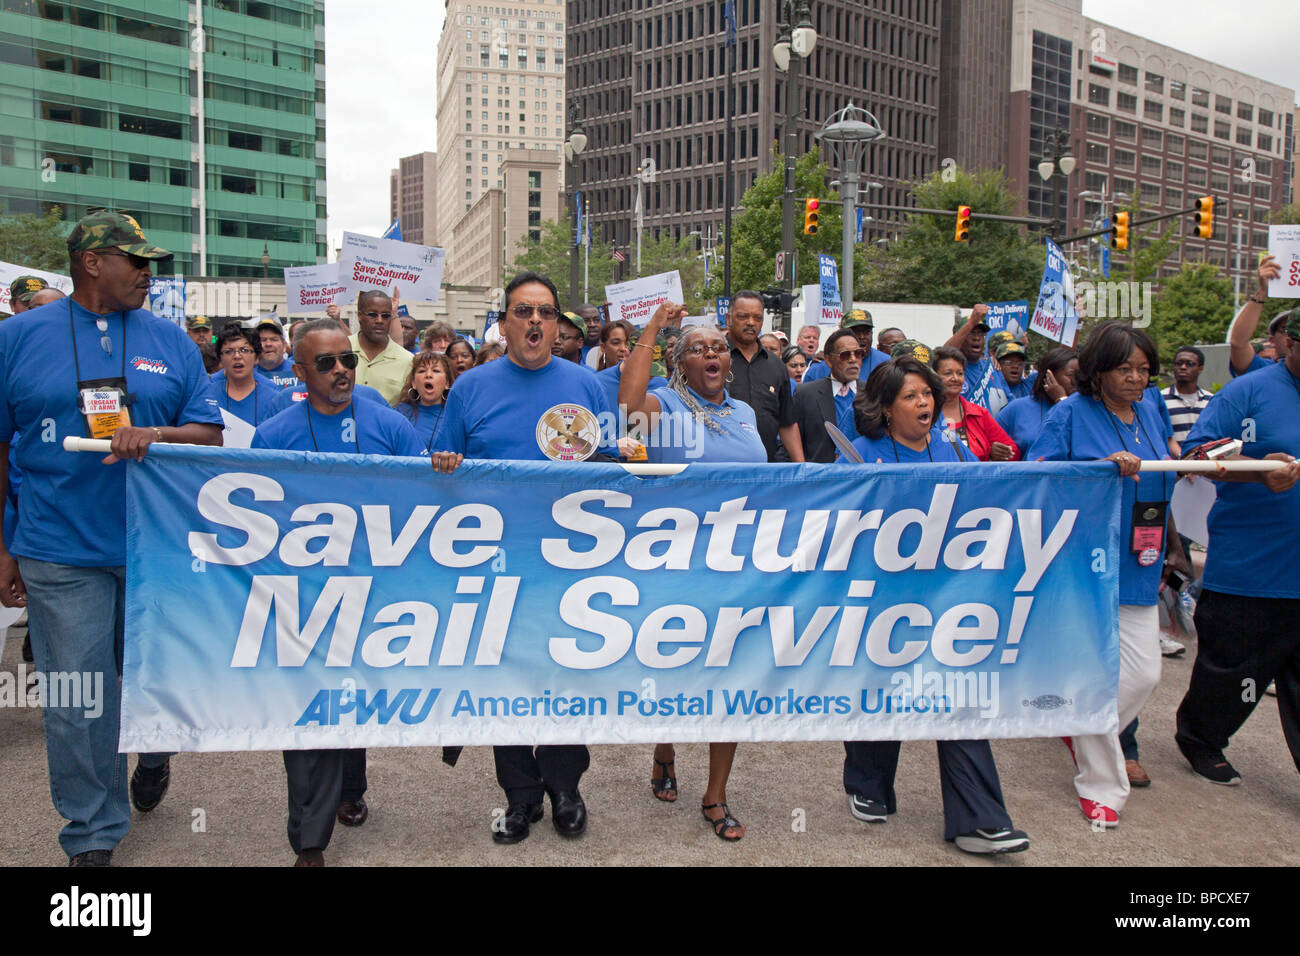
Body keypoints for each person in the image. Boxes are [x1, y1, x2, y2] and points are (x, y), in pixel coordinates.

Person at [0, 210, 223, 866]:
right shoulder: (18, 338)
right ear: (93, 262)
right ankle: (93, 831)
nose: (149, 273)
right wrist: (4, 545)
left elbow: (209, 433)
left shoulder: (173, 341)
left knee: (149, 682)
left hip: (153, 548)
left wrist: (156, 434)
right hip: (58, 549)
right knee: (77, 698)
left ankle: (153, 755)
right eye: (138, 260)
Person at [252, 320, 444, 867]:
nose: (341, 371)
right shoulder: (274, 435)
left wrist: (445, 468)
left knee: (353, 693)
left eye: (348, 361)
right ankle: (309, 840)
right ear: (299, 372)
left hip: (378, 589)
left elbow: (429, 502)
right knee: (310, 704)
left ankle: (351, 789)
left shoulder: (388, 425)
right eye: (327, 363)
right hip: (306, 593)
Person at [432, 271, 613, 844]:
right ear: (505, 321)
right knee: (502, 678)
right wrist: (443, 462)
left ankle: (565, 787)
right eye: (522, 311)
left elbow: (604, 461)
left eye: (545, 312)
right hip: (494, 563)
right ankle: (519, 796)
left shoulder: (586, 385)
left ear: (559, 325)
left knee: (565, 672)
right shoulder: (470, 388)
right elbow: (443, 462)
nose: (535, 321)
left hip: (567, 559)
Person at [835, 357, 1028, 854]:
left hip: (948, 602)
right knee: (883, 692)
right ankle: (868, 785)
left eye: (927, 393)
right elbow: (835, 529)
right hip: (880, 603)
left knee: (956, 697)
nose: (924, 403)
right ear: (885, 407)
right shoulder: (859, 454)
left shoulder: (957, 451)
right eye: (910, 396)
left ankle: (979, 819)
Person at [619, 301, 765, 840]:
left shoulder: (746, 414)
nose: (713, 353)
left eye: (719, 347)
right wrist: (654, 328)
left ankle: (716, 793)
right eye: (699, 348)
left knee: (730, 677)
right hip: (675, 566)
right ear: (680, 363)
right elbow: (626, 405)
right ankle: (664, 748)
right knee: (676, 669)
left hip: (739, 567)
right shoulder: (663, 406)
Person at [1028, 322, 1172, 828]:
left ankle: (1082, 721)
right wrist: (1100, 468)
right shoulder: (1070, 413)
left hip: (1141, 560)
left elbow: (1166, 462)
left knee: (1145, 674)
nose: (1136, 379)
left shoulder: (1152, 410)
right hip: (1084, 563)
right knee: (1096, 675)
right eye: (1125, 369)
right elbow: (1038, 473)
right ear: (1097, 370)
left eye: (1144, 370)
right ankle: (1102, 789)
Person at [1173, 308, 1300, 786]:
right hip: (1252, 566)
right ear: (1290, 344)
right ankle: (1201, 738)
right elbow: (1198, 453)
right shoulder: (1249, 390)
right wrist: (1256, 465)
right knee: (1235, 673)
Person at [724, 290, 804, 462]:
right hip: (723, 469)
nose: (751, 323)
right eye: (743, 316)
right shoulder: (713, 359)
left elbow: (787, 422)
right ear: (728, 319)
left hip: (767, 468)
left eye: (757, 318)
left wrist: (802, 467)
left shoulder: (776, 365)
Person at [930, 346, 1019, 461]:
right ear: (934, 376)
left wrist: (993, 453)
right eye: (948, 373)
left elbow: (1013, 451)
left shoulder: (979, 414)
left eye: (960, 373)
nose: (955, 378)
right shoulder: (925, 414)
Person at [791, 329, 863, 463]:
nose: (853, 360)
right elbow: (791, 442)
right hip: (819, 479)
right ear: (829, 360)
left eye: (858, 354)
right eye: (845, 355)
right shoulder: (805, 394)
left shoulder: (872, 393)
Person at [995, 347, 1076, 452]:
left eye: (1079, 375)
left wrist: (1061, 400)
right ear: (1049, 376)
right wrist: (994, 450)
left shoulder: (1083, 409)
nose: (1076, 381)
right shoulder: (1016, 408)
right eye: (1071, 375)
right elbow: (989, 447)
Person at [1226, 256, 1289, 377]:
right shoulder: (1263, 371)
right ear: (1272, 340)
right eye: (1286, 330)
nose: (1295, 336)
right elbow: (1238, 343)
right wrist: (1262, 291)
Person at [209, 324, 280, 427]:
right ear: (221, 359)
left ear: (256, 358)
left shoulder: (274, 399)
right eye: (229, 351)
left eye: (244, 350)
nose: (237, 356)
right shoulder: (207, 395)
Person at [349, 290, 413, 405]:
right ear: (359, 316)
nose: (379, 320)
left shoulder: (407, 360)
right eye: (373, 315)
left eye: (386, 316)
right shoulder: (340, 350)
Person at [802, 310, 889, 386]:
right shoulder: (821, 366)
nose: (862, 336)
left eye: (866, 332)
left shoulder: (886, 363)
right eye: (856, 331)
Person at [395, 350, 456, 453]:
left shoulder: (455, 417)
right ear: (413, 383)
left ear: (447, 383)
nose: (428, 375)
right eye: (422, 371)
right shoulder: (399, 412)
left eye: (436, 371)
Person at [945, 304, 996, 405]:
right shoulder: (948, 370)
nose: (976, 338)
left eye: (981, 334)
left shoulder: (992, 367)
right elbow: (944, 354)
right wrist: (972, 322)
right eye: (971, 333)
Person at [1162, 347, 1213, 445]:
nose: (1183, 367)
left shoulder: (1210, 400)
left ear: (1200, 368)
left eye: (1190, 364)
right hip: (1172, 459)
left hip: (1204, 459)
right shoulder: (1161, 399)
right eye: (1178, 363)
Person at [984, 340, 1032, 416]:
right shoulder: (989, 388)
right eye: (1009, 363)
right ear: (997, 364)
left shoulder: (1028, 386)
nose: (1015, 366)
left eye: (1020, 363)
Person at [252, 315, 298, 388]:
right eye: (262, 340)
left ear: (284, 346)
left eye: (274, 339)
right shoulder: (247, 374)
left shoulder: (299, 371)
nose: (268, 344)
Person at [574, 303, 604, 369]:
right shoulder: (570, 353)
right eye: (586, 321)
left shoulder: (610, 351)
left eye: (596, 320)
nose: (592, 324)